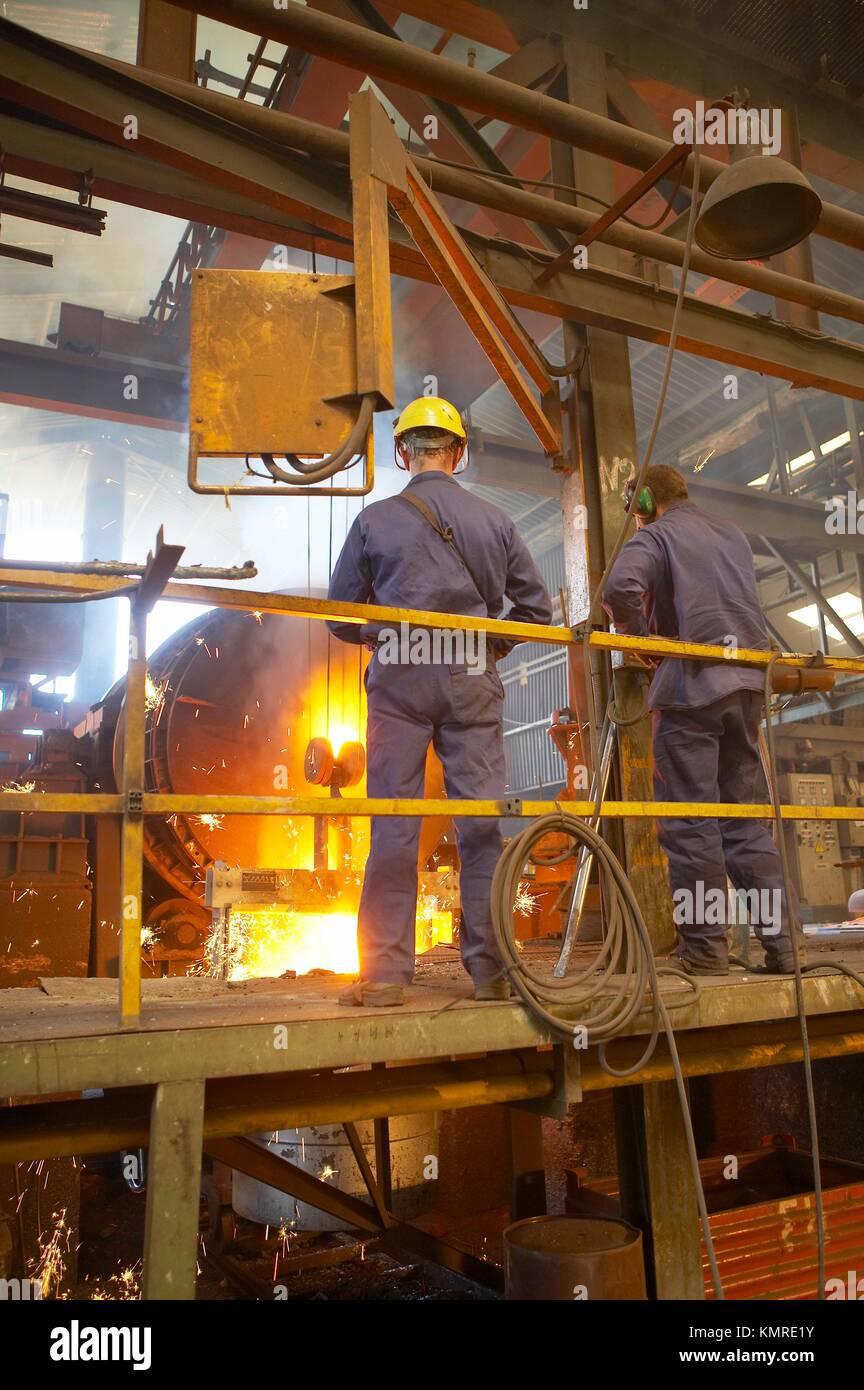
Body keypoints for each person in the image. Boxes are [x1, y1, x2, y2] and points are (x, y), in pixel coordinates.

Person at [327, 396, 553, 1005]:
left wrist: (385, 633)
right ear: (459, 452)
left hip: (400, 676)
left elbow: (341, 617)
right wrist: (487, 645)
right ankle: (493, 972)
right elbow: (537, 612)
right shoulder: (495, 521)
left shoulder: (376, 520)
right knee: (480, 825)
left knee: (395, 823)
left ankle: (383, 976)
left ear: (404, 453)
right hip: (469, 675)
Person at [602, 463, 796, 975]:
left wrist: (640, 637)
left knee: (691, 825)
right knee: (746, 823)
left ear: (643, 504)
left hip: (691, 691)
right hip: (748, 687)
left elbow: (617, 587)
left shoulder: (658, 535)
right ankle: (785, 949)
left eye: (635, 512)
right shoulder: (730, 532)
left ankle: (706, 950)